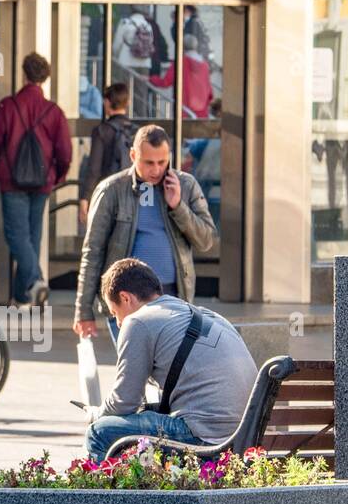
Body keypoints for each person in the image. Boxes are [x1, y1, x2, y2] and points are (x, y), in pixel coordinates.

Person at [81, 258, 256, 462]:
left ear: (125, 298)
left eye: (114, 312)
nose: (118, 323)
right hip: (244, 438)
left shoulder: (137, 321)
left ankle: (106, 494)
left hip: (205, 438)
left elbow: (124, 403)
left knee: (99, 432)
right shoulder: (206, 315)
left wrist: (95, 414)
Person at [74, 125, 217, 341]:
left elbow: (206, 241)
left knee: (167, 372)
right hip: (126, 301)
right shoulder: (111, 190)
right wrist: (83, 310)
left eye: (162, 162)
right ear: (133, 155)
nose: (157, 169)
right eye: (149, 162)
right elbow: (92, 252)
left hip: (173, 299)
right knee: (135, 371)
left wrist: (178, 206)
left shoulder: (185, 185)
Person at [0, 52, 72, 307]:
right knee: (32, 235)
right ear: (45, 77)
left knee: (16, 235)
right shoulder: (54, 111)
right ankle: (25, 296)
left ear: (24, 74)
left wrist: (3, 163)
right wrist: (58, 175)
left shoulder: (8, 106)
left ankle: (34, 283)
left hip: (12, 181)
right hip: (43, 181)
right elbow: (65, 151)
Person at [78, 83, 133, 226]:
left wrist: (85, 198)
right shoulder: (136, 132)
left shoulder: (101, 131)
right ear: (128, 103)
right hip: (131, 195)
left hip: (108, 193)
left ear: (107, 102)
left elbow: (94, 170)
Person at [149, 33, 214, 119]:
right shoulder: (205, 65)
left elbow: (165, 82)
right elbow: (209, 91)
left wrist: (150, 79)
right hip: (202, 111)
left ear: (182, 47)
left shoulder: (180, 63)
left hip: (184, 109)